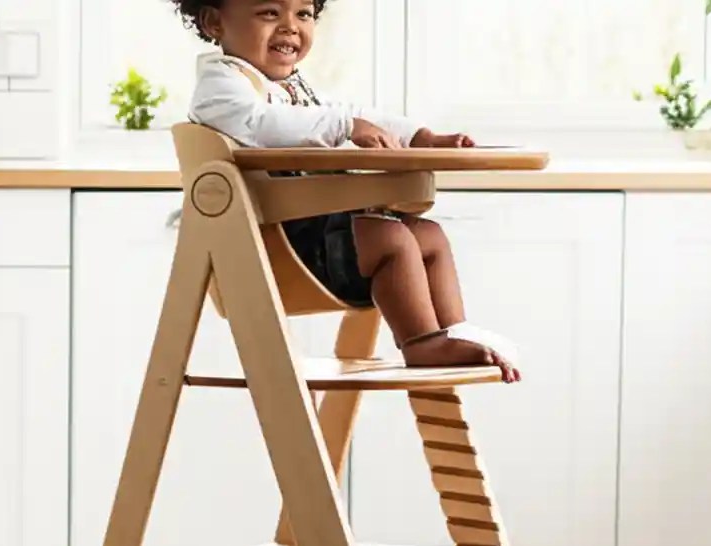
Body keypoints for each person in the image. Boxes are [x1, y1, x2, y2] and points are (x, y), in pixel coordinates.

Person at [176, 0, 520, 382]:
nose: (290, 26)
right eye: (270, 12)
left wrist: (422, 136)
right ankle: (421, 341)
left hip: (315, 234)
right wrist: (345, 125)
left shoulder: (289, 88)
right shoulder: (220, 86)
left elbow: (352, 110)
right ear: (213, 21)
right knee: (390, 239)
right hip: (280, 250)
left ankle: (453, 330)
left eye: (303, 14)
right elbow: (261, 124)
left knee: (428, 235)